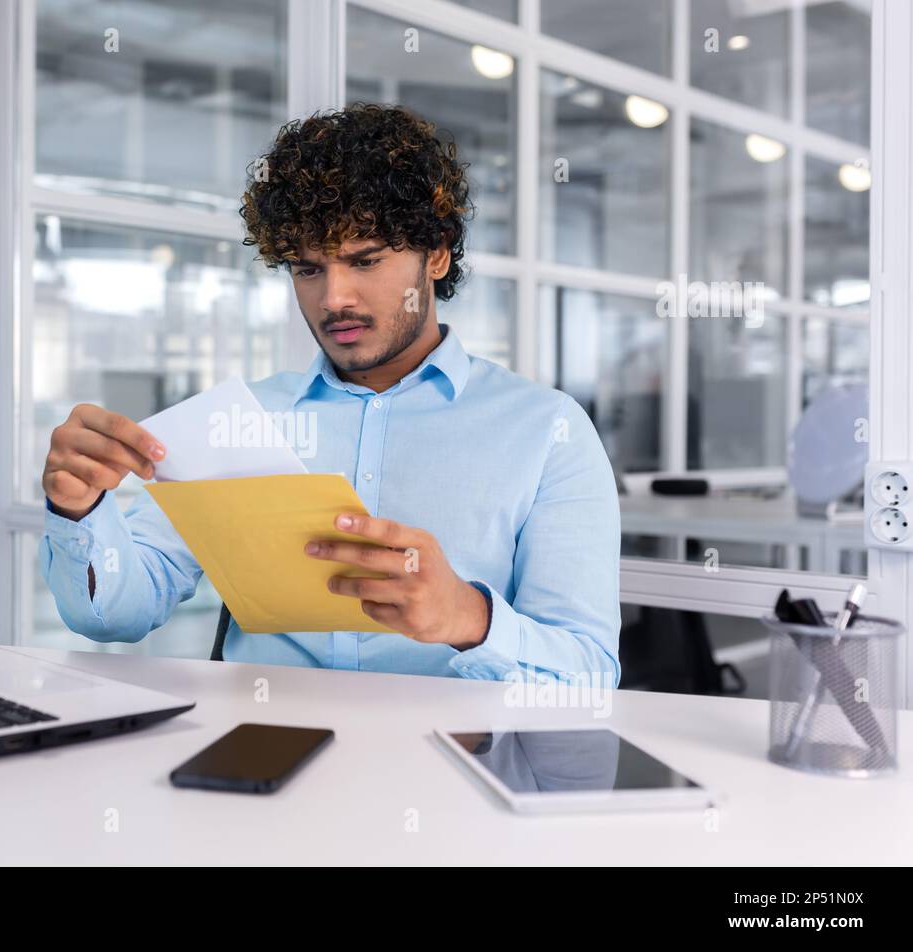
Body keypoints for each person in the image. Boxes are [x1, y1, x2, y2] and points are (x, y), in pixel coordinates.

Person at [40, 103, 621, 685]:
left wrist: (469, 616)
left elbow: (591, 675)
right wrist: (80, 510)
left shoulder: (547, 431)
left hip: (450, 762)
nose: (333, 297)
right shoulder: (243, 419)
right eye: (308, 269)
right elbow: (118, 614)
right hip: (261, 750)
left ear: (437, 253)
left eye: (364, 260)